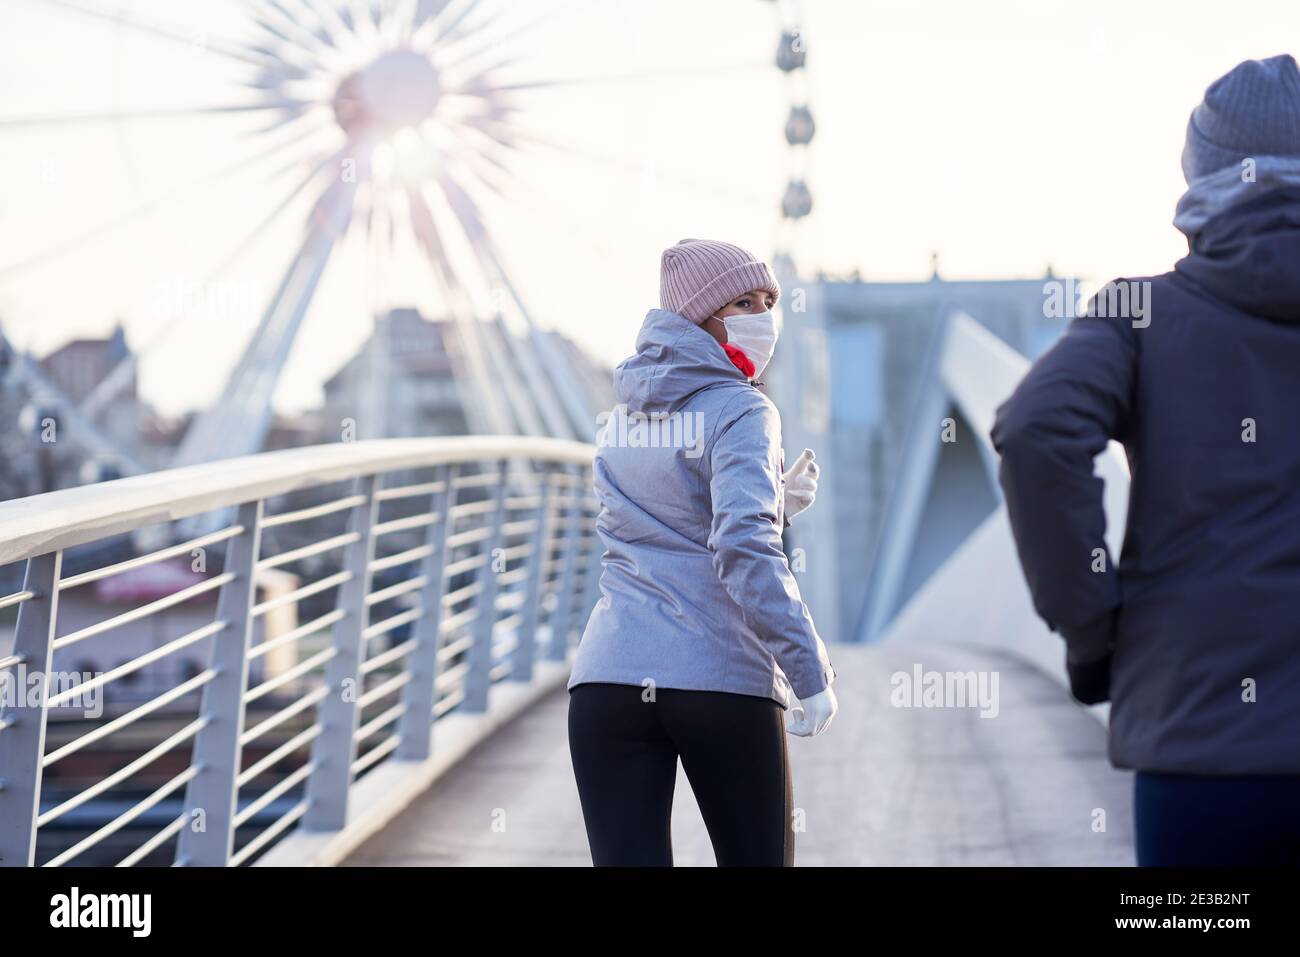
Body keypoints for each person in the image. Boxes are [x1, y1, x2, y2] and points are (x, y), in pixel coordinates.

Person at [990, 54, 1300, 866]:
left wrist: (1094, 628)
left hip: (1199, 760)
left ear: (1200, 178)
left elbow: (1035, 431)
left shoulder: (1140, 313)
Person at [567, 237, 838, 866]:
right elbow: (743, 548)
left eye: (769, 300)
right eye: (744, 301)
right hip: (719, 681)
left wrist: (775, 502)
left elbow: (658, 524)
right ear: (700, 314)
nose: (764, 316)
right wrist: (808, 671)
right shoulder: (744, 409)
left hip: (608, 684)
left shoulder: (622, 414)